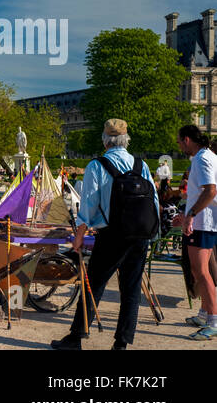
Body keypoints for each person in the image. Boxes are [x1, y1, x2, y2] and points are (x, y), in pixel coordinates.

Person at [52, 119, 159, 351]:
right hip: (140, 235)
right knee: (130, 291)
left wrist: (79, 235)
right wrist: (152, 233)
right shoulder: (141, 165)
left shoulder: (97, 165)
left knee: (94, 285)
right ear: (126, 139)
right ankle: (121, 344)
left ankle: (76, 338)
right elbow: (155, 202)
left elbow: (89, 204)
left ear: (105, 139)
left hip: (112, 235)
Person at [175, 124, 217, 340]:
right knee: (199, 271)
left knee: (201, 272)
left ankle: (213, 320)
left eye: (180, 141)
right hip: (202, 222)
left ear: (188, 139)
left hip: (203, 223)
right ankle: (204, 314)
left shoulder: (202, 159)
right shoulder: (205, 156)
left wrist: (190, 214)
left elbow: (211, 190)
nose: (180, 146)